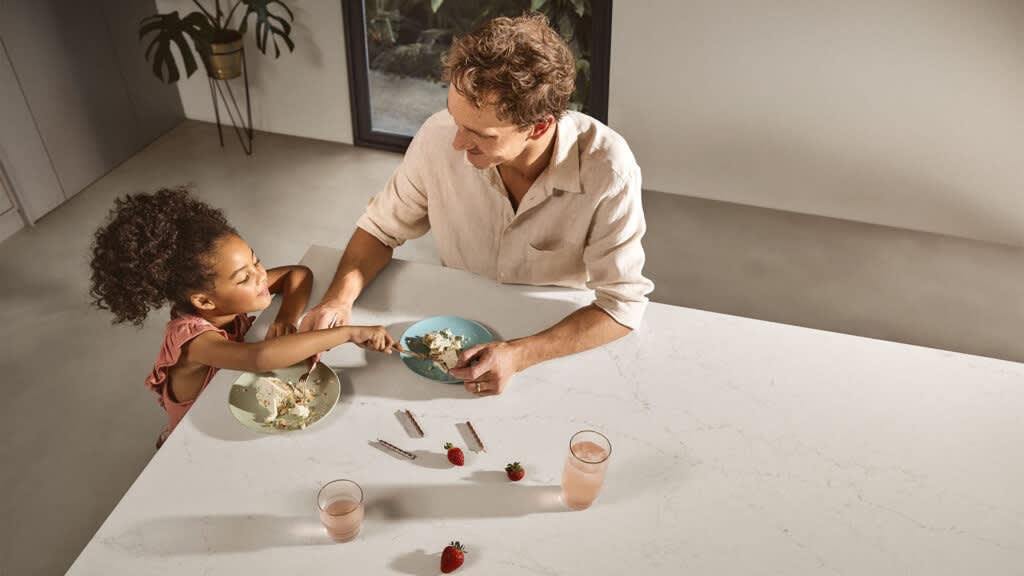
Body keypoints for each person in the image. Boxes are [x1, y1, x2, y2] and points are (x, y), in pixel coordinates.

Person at [301, 14, 653, 396]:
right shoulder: (437, 137)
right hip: (459, 317)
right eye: (456, 119)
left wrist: (519, 354)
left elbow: (621, 306)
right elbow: (379, 229)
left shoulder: (608, 169)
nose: (456, 143)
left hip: (554, 331)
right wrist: (337, 300)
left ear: (538, 126)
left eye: (480, 134)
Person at [89, 188, 395, 445]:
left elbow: (297, 274)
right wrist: (349, 333)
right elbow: (258, 357)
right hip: (196, 440)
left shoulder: (223, 303)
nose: (261, 276)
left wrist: (285, 318)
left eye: (256, 261)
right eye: (243, 277)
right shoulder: (192, 340)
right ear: (204, 300)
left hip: (234, 410)